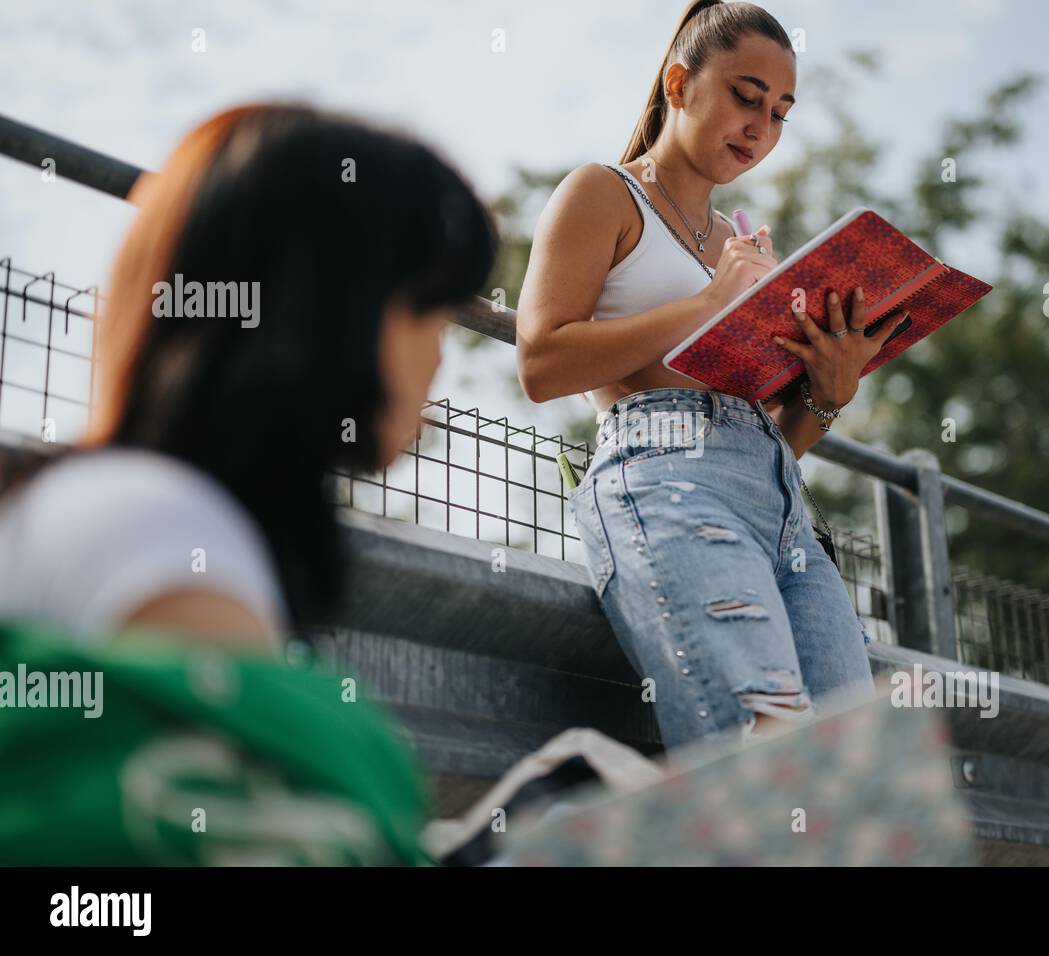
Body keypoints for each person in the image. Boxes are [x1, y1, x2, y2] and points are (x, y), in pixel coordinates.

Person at [515, 0, 906, 750]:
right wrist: (709, 300)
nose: (761, 126)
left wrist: (827, 396)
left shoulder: (745, 242)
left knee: (849, 770)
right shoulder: (601, 192)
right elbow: (540, 361)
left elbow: (770, 439)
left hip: (783, 507)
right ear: (679, 84)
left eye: (782, 112)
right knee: (765, 749)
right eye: (746, 96)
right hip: (664, 479)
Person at [0, 103, 498, 652]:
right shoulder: (167, 539)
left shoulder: (131, 512)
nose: (438, 359)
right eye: (426, 314)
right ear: (325, 310)